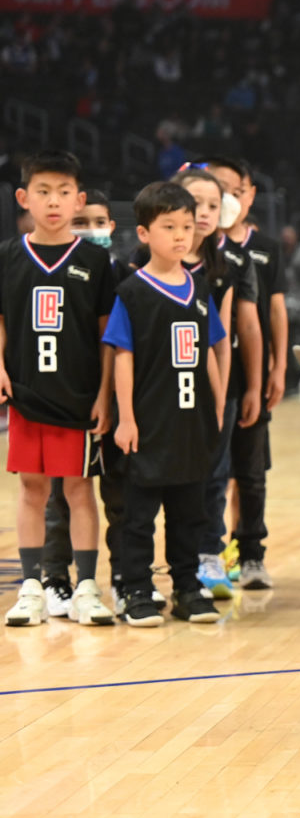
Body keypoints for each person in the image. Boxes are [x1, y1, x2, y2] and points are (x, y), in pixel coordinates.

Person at [1, 152, 117, 627]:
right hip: (27, 394)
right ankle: (32, 587)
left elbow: (108, 335)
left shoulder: (95, 260)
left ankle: (86, 586)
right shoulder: (8, 256)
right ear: (24, 198)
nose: (54, 202)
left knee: (79, 489)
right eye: (43, 191)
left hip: (79, 398)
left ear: (79, 200)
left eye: (64, 192)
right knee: (31, 489)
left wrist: (105, 395)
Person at [104, 182, 226, 626]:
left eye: (187, 227)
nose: (180, 236)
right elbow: (123, 357)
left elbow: (210, 352)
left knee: (188, 515)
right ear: (143, 233)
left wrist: (215, 410)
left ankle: (188, 589)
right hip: (148, 427)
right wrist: (126, 418)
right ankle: (136, 589)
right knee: (138, 517)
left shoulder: (199, 288)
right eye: (169, 226)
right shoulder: (132, 291)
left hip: (191, 427)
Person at [173, 165, 261, 598]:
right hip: (163, 391)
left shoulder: (224, 266)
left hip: (213, 392)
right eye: (197, 204)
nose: (205, 213)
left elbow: (223, 339)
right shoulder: (146, 263)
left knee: (215, 474)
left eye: (213, 205)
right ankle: (174, 562)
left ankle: (210, 554)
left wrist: (223, 395)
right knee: (168, 480)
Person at [38, 187, 125, 619]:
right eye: (81, 223)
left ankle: (126, 579)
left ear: (113, 226)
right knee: (61, 494)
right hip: (68, 401)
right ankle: (56, 577)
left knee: (121, 495)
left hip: (117, 402)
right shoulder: (54, 271)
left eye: (98, 223)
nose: (91, 231)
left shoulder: (127, 275)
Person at [206, 157, 287, 588]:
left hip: (244, 375)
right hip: (202, 381)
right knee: (212, 474)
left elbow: (270, 312)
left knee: (251, 473)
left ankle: (250, 552)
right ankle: (209, 554)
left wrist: (277, 367)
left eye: (230, 189)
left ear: (246, 193)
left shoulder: (262, 250)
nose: (222, 198)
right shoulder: (192, 251)